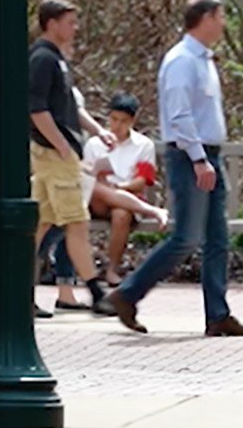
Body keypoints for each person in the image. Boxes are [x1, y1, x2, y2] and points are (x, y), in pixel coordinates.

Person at [100, 0, 243, 336]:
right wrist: (199, 158)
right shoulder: (181, 60)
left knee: (218, 237)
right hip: (190, 157)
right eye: (221, 16)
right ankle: (127, 294)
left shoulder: (205, 61)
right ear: (205, 18)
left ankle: (217, 314)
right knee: (187, 237)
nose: (224, 23)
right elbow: (179, 114)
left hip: (209, 156)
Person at [27, 0, 116, 315]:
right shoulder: (42, 58)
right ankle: (96, 292)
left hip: (59, 155)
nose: (75, 28)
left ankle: (19, 292)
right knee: (77, 222)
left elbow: (68, 107)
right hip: (54, 157)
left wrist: (96, 130)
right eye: (69, 22)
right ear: (51, 23)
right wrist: (61, 146)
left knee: (40, 224)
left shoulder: (57, 59)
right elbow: (37, 109)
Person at [45, 90, 169, 311]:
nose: (116, 125)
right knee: (80, 208)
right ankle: (152, 210)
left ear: (132, 120)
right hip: (96, 198)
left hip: (127, 199)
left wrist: (120, 187)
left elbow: (142, 179)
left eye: (123, 121)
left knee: (120, 214)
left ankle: (111, 269)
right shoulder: (95, 143)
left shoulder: (143, 145)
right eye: (113, 119)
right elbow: (86, 176)